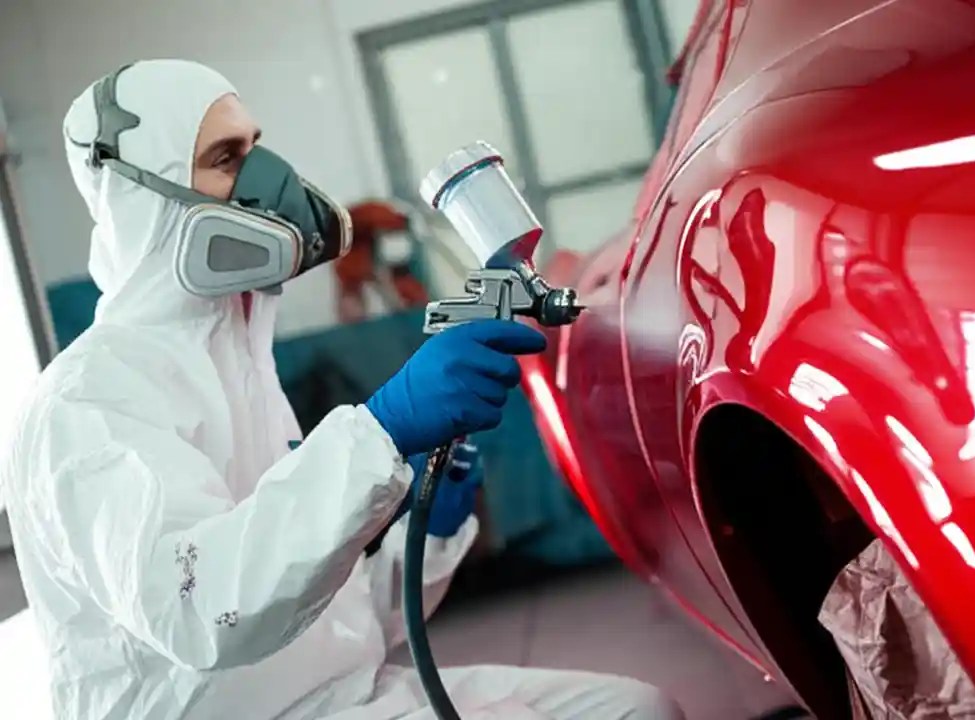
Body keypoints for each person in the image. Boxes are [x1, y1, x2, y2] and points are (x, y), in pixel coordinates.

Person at [0, 59, 683, 720]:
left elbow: (332, 621)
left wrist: (431, 528)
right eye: (228, 158)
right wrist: (379, 432)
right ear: (143, 191)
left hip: (349, 692)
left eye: (256, 149)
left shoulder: (241, 361)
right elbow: (204, 612)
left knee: (640, 708)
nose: (267, 182)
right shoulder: (88, 403)